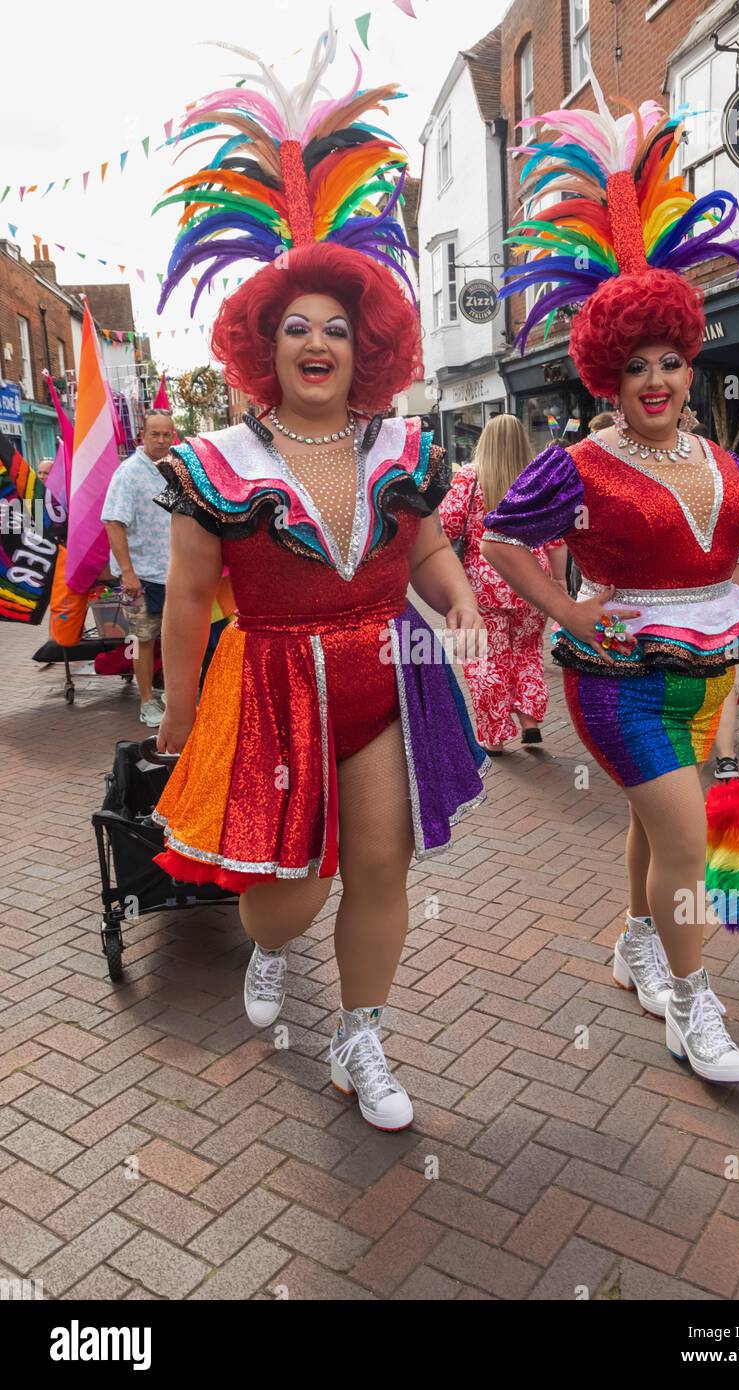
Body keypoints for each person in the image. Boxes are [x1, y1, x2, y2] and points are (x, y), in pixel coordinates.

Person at [150, 29, 489, 1132]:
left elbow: (428, 545)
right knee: (281, 899)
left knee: (381, 859)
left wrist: (460, 596)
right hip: (270, 686)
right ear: (263, 345)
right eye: (292, 327)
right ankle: (269, 951)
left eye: (334, 330)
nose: (315, 343)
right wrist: (183, 716)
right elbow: (189, 603)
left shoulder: (399, 451)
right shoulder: (218, 467)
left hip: (380, 672)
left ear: (364, 347)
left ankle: (361, 1036)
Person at [481, 77, 739, 1084]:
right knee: (688, 838)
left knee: (661, 829)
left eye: (670, 360)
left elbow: (734, 553)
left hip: (712, 672)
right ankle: (694, 1009)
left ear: (690, 366)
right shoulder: (577, 463)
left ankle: (636, 944)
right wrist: (564, 606)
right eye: (634, 365)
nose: (655, 378)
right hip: (616, 675)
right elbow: (499, 536)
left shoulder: (717, 459)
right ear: (607, 376)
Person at [439, 413, 567, 754]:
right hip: (531, 579)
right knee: (527, 652)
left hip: (483, 582)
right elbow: (557, 537)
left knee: (483, 656)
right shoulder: (536, 479)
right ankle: (530, 720)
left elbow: (446, 528)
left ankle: (494, 735)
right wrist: (557, 580)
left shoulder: (468, 478)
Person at [100, 409, 175, 725]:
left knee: (174, 637)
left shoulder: (175, 469)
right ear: (141, 436)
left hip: (172, 574)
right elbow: (113, 522)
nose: (160, 440)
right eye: (154, 434)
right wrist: (128, 572)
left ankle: (172, 696)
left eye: (166, 434)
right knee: (143, 639)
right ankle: (146, 702)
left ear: (174, 436)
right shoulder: (128, 473)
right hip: (139, 576)